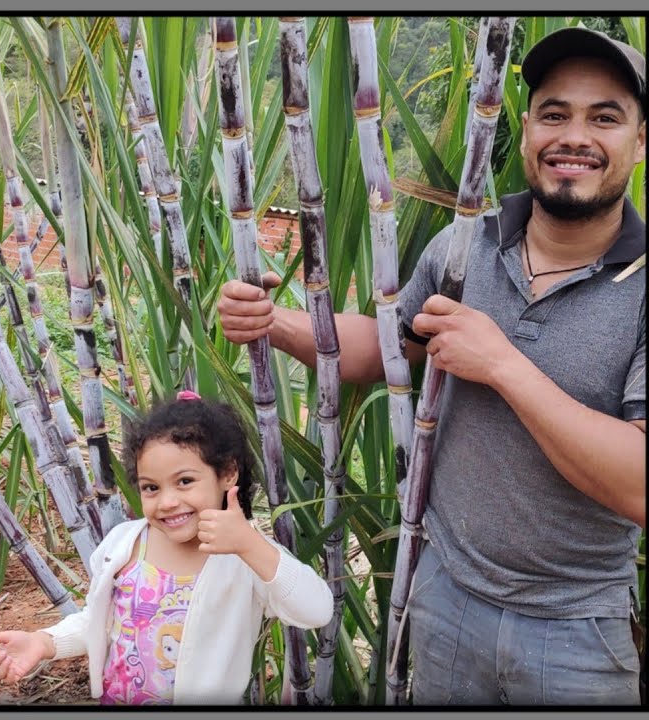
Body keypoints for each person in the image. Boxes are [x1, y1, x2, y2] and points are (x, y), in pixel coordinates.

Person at [217, 26, 645, 705]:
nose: (574, 137)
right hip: (446, 597)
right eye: (554, 114)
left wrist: (502, 365)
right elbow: (387, 348)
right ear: (526, 131)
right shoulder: (465, 244)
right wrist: (274, 322)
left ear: (640, 141)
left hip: (576, 630)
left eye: (604, 118)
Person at [0, 393, 332, 705]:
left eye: (185, 481)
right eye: (151, 488)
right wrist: (45, 642)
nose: (168, 501)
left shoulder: (245, 558)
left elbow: (316, 610)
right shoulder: (124, 545)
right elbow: (99, 623)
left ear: (228, 473)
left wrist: (249, 544)